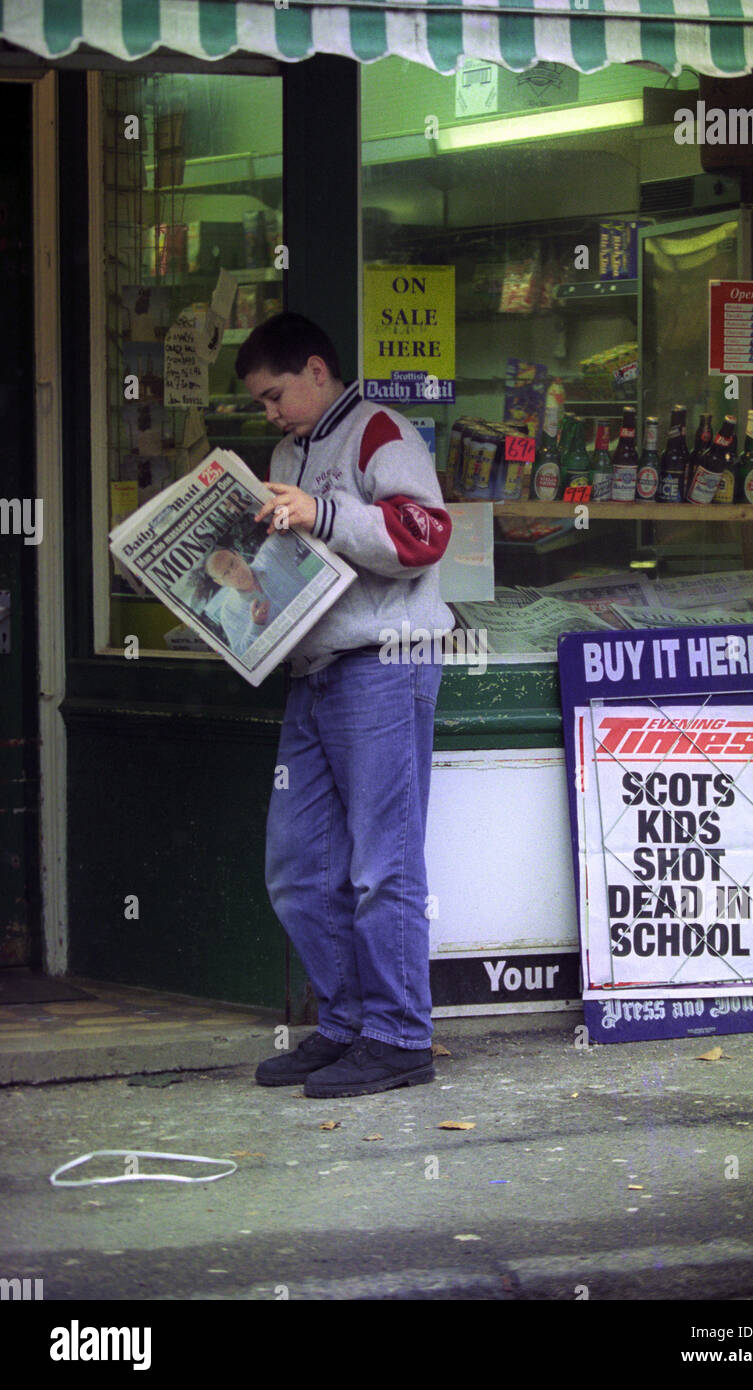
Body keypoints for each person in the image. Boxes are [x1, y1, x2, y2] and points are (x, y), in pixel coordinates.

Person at [235, 312, 454, 1098]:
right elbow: (301, 562)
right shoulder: (287, 451)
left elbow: (425, 535)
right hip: (315, 668)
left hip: (383, 666)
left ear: (318, 371)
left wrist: (321, 513)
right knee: (299, 866)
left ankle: (399, 1036)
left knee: (383, 862)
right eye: (261, 403)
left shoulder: (379, 431)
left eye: (275, 395)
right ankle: (347, 1024)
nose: (270, 413)